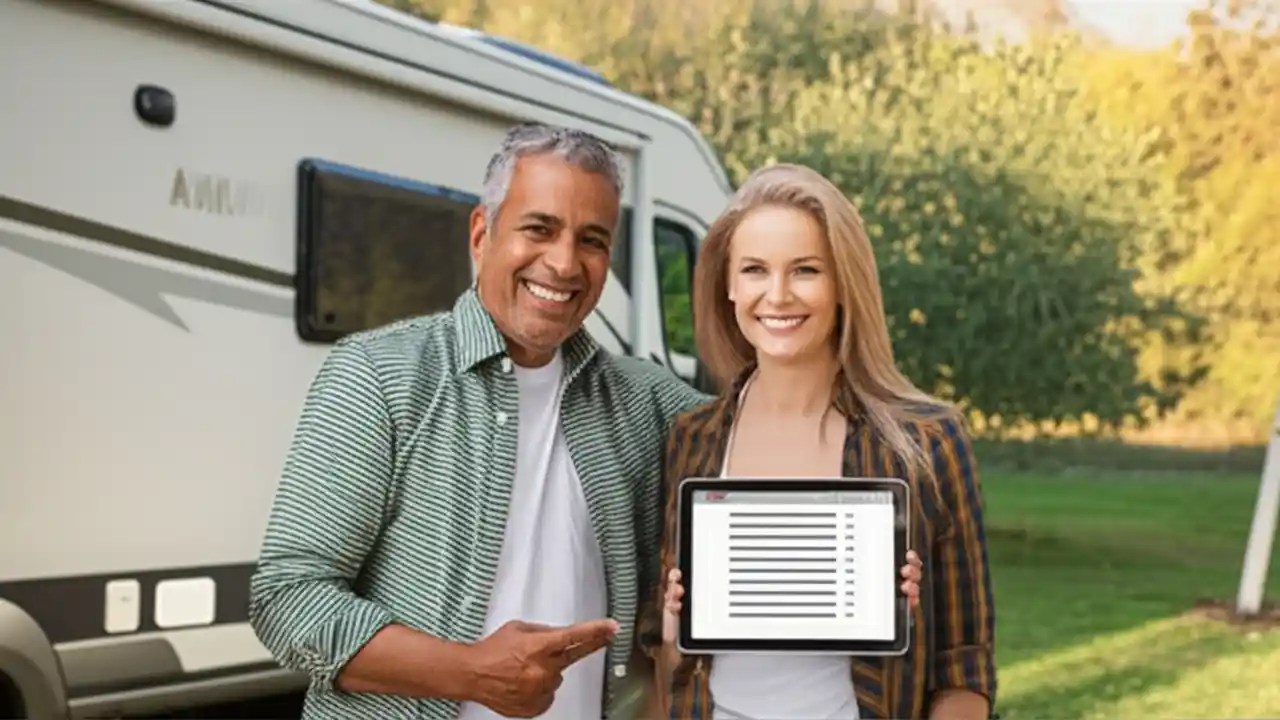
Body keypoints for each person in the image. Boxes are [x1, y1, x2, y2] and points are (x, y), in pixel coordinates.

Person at [247, 123, 708, 720]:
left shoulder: (645, 402)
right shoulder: (378, 375)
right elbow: (287, 598)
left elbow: (774, 428)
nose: (565, 263)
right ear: (481, 233)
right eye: (539, 228)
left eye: (592, 240)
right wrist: (471, 674)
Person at [643, 164, 997, 720]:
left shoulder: (927, 442)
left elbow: (965, 670)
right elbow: (667, 666)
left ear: (842, 284)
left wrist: (903, 621)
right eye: (755, 270)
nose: (778, 295)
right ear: (729, 286)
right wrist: (673, 630)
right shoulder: (691, 440)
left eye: (806, 270)